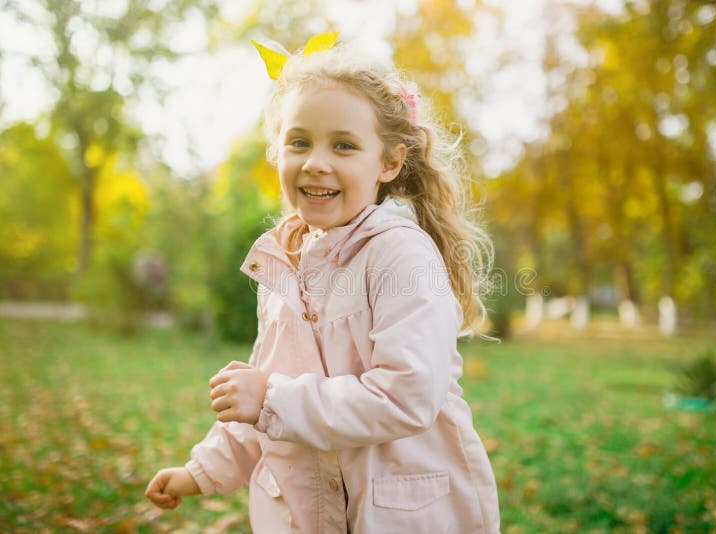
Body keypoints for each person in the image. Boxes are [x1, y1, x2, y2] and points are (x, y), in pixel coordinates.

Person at [145, 33, 500, 533]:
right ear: (277, 153)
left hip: (400, 515)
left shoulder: (399, 253)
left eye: (344, 145)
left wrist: (268, 398)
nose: (316, 161)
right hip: (309, 515)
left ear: (389, 163)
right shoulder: (281, 264)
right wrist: (199, 471)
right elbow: (261, 403)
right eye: (299, 141)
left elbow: (406, 396)